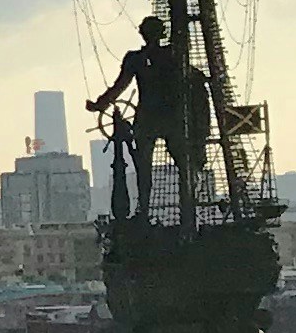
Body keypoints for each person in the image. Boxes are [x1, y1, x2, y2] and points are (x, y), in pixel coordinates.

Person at [90, 18, 210, 220]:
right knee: (183, 167)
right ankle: (186, 213)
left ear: (142, 33)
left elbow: (119, 87)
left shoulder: (137, 59)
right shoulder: (172, 54)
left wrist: (100, 104)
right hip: (171, 118)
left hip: (150, 118)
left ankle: (145, 211)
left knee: (145, 169)